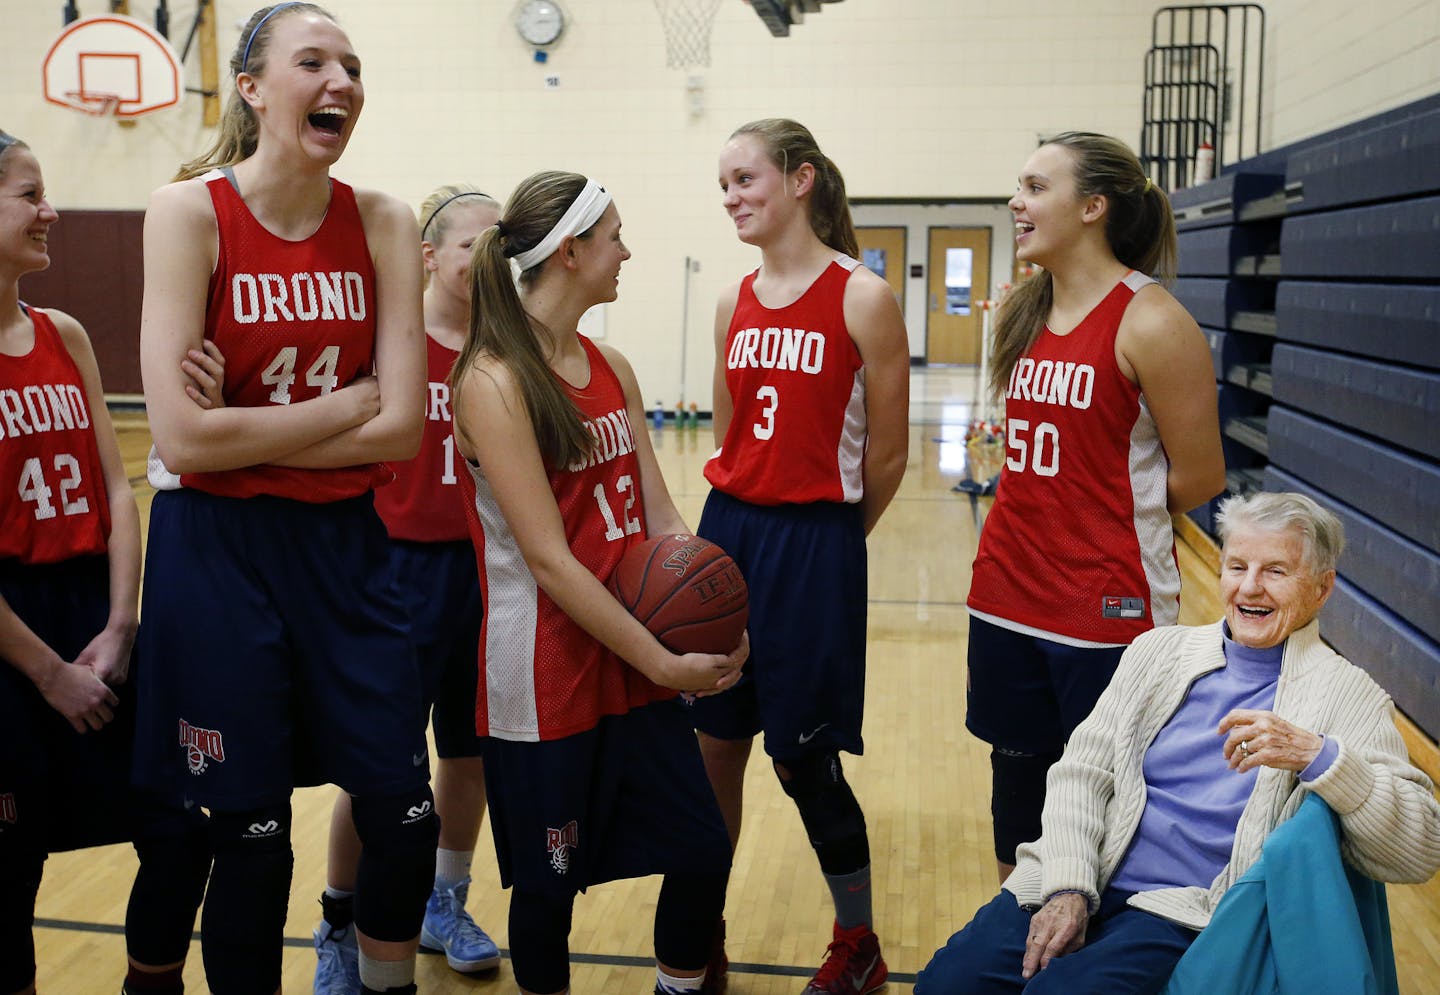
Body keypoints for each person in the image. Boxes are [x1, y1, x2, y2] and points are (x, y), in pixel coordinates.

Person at [134, 6, 434, 995]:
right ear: (254, 88)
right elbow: (179, 438)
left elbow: (401, 430)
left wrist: (249, 430)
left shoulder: (383, 218)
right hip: (215, 550)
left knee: (402, 809)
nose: (341, 79)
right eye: (313, 61)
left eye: (352, 64)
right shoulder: (188, 213)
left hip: (348, 545)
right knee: (251, 832)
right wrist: (340, 403)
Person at [917, 490, 1440, 994]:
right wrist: (1069, 886)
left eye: (1275, 571)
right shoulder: (1157, 651)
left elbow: (1418, 852)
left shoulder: (1349, 695)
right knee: (948, 983)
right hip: (1076, 874)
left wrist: (1320, 757)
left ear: (1322, 589)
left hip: (1180, 913)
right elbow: (1082, 773)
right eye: (1237, 567)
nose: (1250, 588)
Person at [450, 170, 745, 995]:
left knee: (698, 849)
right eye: (614, 235)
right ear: (572, 251)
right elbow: (548, 560)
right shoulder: (494, 380)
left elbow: (658, 510)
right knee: (549, 886)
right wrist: (660, 660)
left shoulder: (610, 362)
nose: (626, 250)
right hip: (545, 669)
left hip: (635, 653)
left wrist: (719, 611)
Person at [965, 131, 1226, 883]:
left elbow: (1200, 476)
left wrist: (1106, 505)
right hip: (1007, 597)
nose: (1017, 201)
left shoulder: (1150, 320)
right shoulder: (1022, 310)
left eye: (1035, 186)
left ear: (1093, 206)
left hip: (1105, 610)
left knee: (1103, 824)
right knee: (1017, 820)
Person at [691, 118, 910, 995]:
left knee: (802, 760)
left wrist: (830, 548)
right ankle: (698, 928)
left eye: (745, 179)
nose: (733, 198)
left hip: (815, 539)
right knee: (712, 748)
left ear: (800, 180)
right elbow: (726, 428)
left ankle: (857, 940)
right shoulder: (730, 299)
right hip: (728, 530)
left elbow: (887, 456)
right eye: (724, 187)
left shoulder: (861, 295)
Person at [0, 131, 210, 995]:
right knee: (10, 869)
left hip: (96, 614)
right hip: (14, 639)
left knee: (179, 830)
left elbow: (120, 493)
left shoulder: (65, 333)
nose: (50, 210)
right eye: (28, 194)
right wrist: (49, 673)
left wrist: (120, 627)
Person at [310, 185, 502, 993]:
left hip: (485, 574)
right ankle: (338, 923)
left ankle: (442, 902)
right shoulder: (389, 340)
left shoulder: (505, 350)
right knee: (379, 764)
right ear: (429, 255)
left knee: (469, 755)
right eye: (473, 245)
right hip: (390, 573)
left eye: (501, 244)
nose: (489, 259)